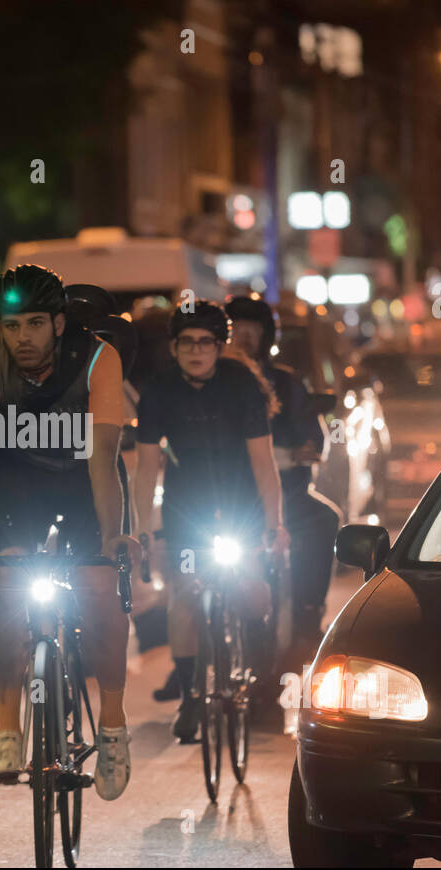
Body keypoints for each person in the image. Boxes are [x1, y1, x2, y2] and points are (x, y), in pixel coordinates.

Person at [0, 265, 141, 800]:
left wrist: (113, 538)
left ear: (57, 322)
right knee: (6, 598)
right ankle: (7, 728)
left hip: (84, 486)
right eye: (10, 326)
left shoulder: (98, 358)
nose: (22, 337)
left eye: (33, 324)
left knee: (100, 592)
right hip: (16, 489)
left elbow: (103, 462)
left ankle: (114, 727)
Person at [131, 299, 289, 742]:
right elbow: (146, 469)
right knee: (183, 594)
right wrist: (144, 527)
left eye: (205, 342)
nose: (195, 351)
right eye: (186, 343)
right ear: (173, 348)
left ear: (220, 347)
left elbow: (263, 463)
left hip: (242, 507)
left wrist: (274, 524)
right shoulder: (158, 391)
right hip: (187, 512)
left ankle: (254, 679)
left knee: (253, 592)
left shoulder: (242, 386)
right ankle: (192, 697)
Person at [225, 295, 341, 652]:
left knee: (325, 520)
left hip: (286, 494)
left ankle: (307, 617)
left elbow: (314, 439)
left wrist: (303, 451)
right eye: (234, 329)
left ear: (266, 336)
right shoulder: (207, 383)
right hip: (226, 499)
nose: (244, 336)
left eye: (252, 329)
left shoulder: (286, 383)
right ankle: (191, 656)